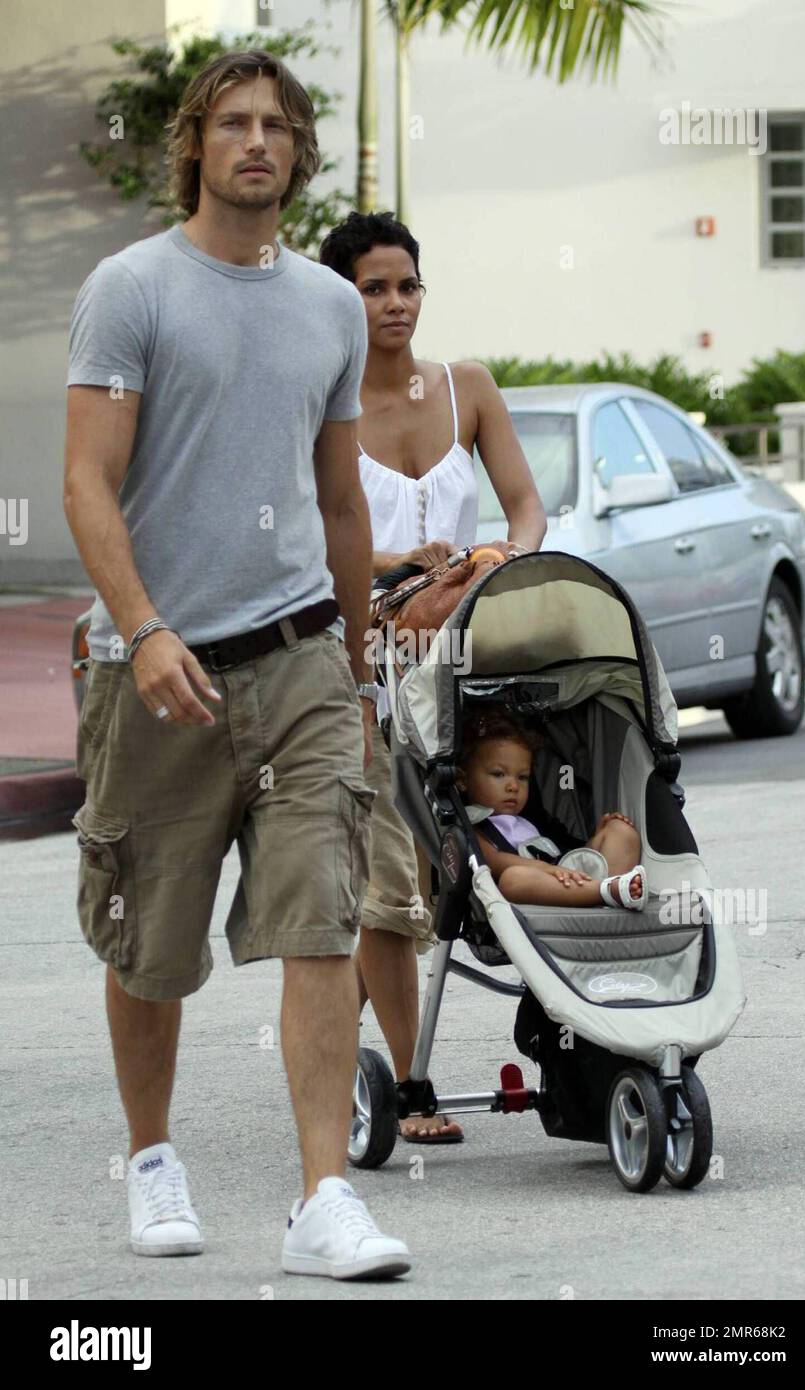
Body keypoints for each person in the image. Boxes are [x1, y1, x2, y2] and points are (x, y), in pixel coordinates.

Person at [63, 50, 410, 1281]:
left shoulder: (325, 304)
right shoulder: (131, 287)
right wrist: (145, 627)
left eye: (276, 124)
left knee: (320, 920)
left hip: (300, 661)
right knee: (147, 942)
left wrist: (360, 671)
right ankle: (153, 1162)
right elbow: (85, 482)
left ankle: (324, 1194)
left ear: (298, 151)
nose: (255, 141)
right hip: (154, 669)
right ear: (197, 146)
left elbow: (340, 504)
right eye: (232, 124)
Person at [319, 212, 546, 1141]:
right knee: (388, 884)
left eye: (407, 284)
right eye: (373, 287)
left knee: (461, 863)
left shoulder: (469, 389)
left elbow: (528, 507)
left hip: (466, 675)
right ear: (341, 299)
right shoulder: (322, 405)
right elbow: (313, 534)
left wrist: (504, 555)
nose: (395, 303)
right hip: (366, 673)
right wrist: (391, 561)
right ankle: (410, 1090)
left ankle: (338, 1045)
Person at [458, 711, 647, 910]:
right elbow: (493, 861)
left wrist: (596, 841)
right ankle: (606, 892)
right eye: (498, 774)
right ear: (462, 781)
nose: (513, 786)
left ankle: (611, 891)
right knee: (512, 879)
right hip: (539, 887)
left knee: (619, 829)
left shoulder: (531, 820)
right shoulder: (474, 825)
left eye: (522, 777)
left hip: (566, 876)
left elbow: (564, 855)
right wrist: (544, 869)